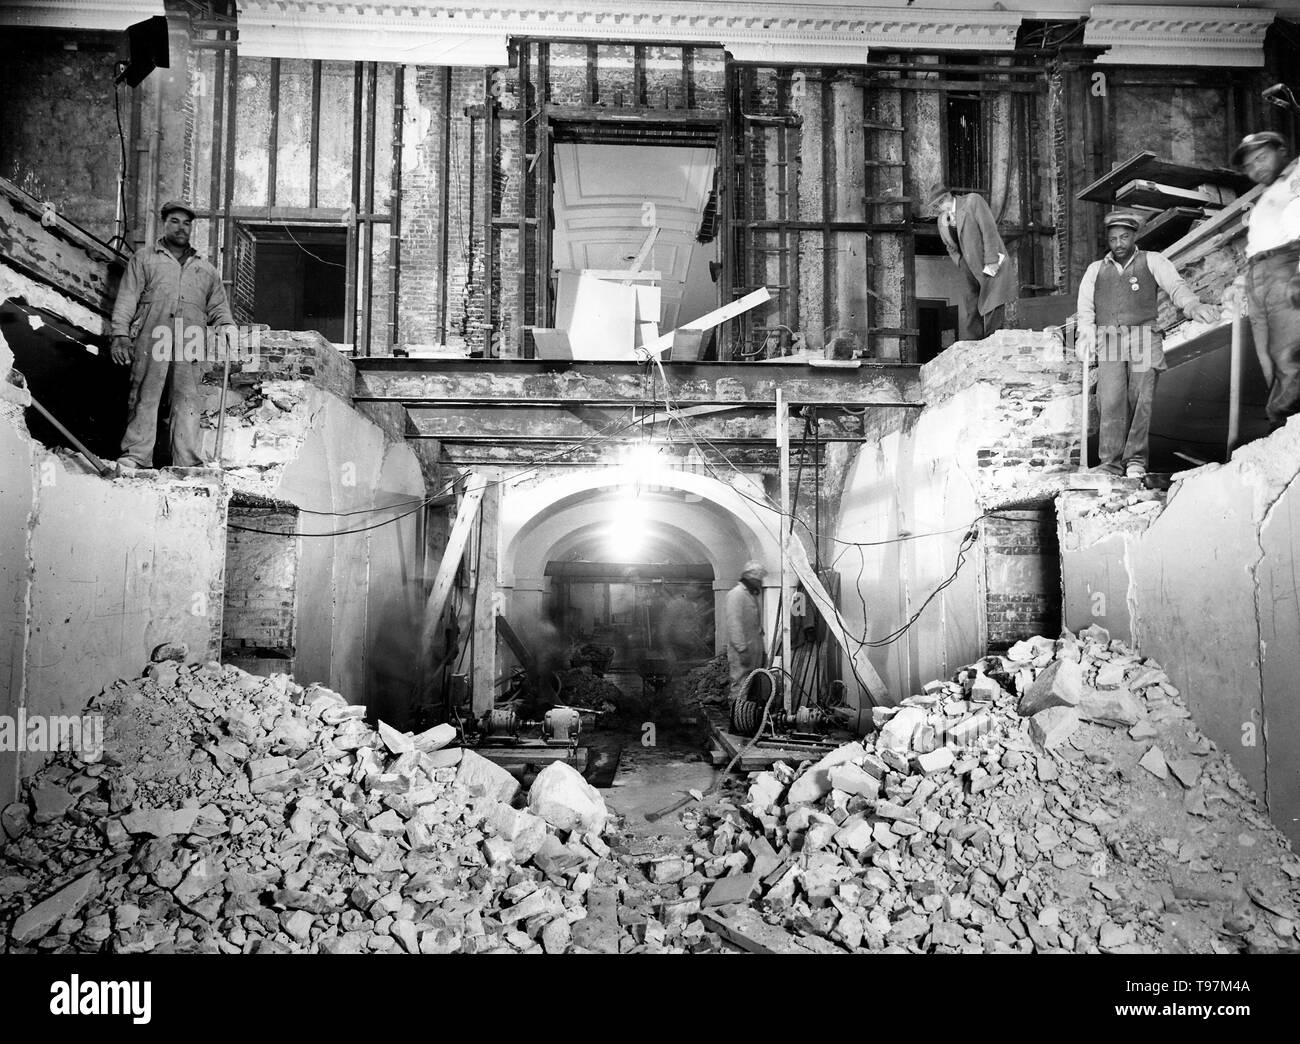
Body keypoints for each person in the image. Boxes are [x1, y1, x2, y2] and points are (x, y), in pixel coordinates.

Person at [1076, 211, 1221, 478]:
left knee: (1140, 396)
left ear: (1134, 236)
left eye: (1124, 237)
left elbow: (1176, 286)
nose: (1118, 244)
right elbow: (1085, 308)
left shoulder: (1152, 261)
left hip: (1143, 336)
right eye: (1113, 239)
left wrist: (1192, 305)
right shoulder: (1095, 270)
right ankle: (1110, 462)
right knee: (1110, 398)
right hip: (1109, 338)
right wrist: (1085, 333)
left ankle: (1135, 461)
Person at [110, 200, 234, 469]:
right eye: (175, 221)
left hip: (190, 341)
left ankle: (187, 462)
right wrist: (120, 334)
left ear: (192, 227)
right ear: (164, 223)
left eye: (187, 222)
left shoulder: (206, 269)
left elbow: (219, 307)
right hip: (151, 336)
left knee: (187, 401)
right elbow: (127, 298)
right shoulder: (144, 258)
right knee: (146, 396)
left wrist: (227, 326)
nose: (181, 227)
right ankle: (136, 456)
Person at [1230, 131, 1300, 430]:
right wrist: (1240, 283)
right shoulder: (1268, 194)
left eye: (1262, 157)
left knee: (1289, 349)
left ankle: (1287, 420)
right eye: (1250, 165)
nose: (1256, 168)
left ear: (1281, 149)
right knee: (1268, 355)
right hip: (1259, 273)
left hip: (1285, 265)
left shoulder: (1297, 174)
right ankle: (1282, 420)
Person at [926, 187, 1016, 341]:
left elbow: (989, 230)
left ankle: (991, 343)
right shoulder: (942, 221)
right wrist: (960, 262)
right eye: (937, 206)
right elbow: (950, 246)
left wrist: (992, 260)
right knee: (971, 304)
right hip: (968, 266)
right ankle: (973, 344)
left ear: (947, 196)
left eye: (941, 203)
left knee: (992, 303)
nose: (940, 208)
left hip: (989, 261)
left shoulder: (972, 201)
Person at [724, 561, 766, 703]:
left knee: (749, 686)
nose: (760, 583)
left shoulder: (750, 595)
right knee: (740, 686)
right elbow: (734, 624)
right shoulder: (736, 595)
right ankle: (737, 721)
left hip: (752, 651)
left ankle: (746, 720)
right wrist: (742, 650)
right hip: (743, 651)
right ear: (750, 578)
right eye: (758, 580)